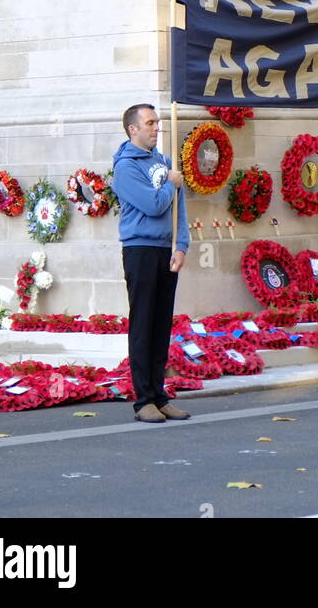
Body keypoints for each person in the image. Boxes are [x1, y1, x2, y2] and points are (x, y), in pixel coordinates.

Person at [113, 103, 191, 423]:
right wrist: (170, 183)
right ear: (133, 129)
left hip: (165, 250)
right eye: (149, 123)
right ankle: (143, 399)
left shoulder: (165, 162)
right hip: (140, 249)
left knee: (161, 326)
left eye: (157, 122)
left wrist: (182, 245)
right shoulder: (126, 168)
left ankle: (160, 395)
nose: (156, 127)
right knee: (144, 324)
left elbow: (179, 209)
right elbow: (153, 205)